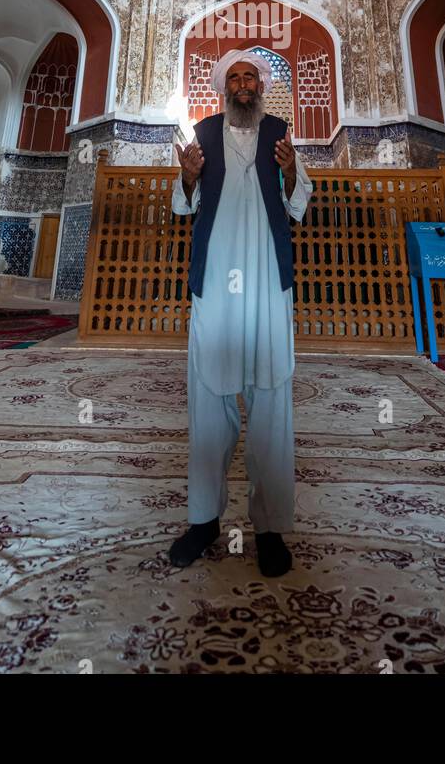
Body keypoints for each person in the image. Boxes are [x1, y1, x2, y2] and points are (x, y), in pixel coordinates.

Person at [169, 50, 312, 577]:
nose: (244, 83)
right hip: (216, 282)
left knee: (272, 401)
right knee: (208, 401)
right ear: (222, 87)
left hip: (269, 285)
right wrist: (186, 179)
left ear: (262, 85)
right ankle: (204, 520)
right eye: (235, 77)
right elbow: (181, 206)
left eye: (251, 76)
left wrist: (293, 169)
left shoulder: (280, 134)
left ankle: (270, 527)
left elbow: (300, 205)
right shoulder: (203, 135)